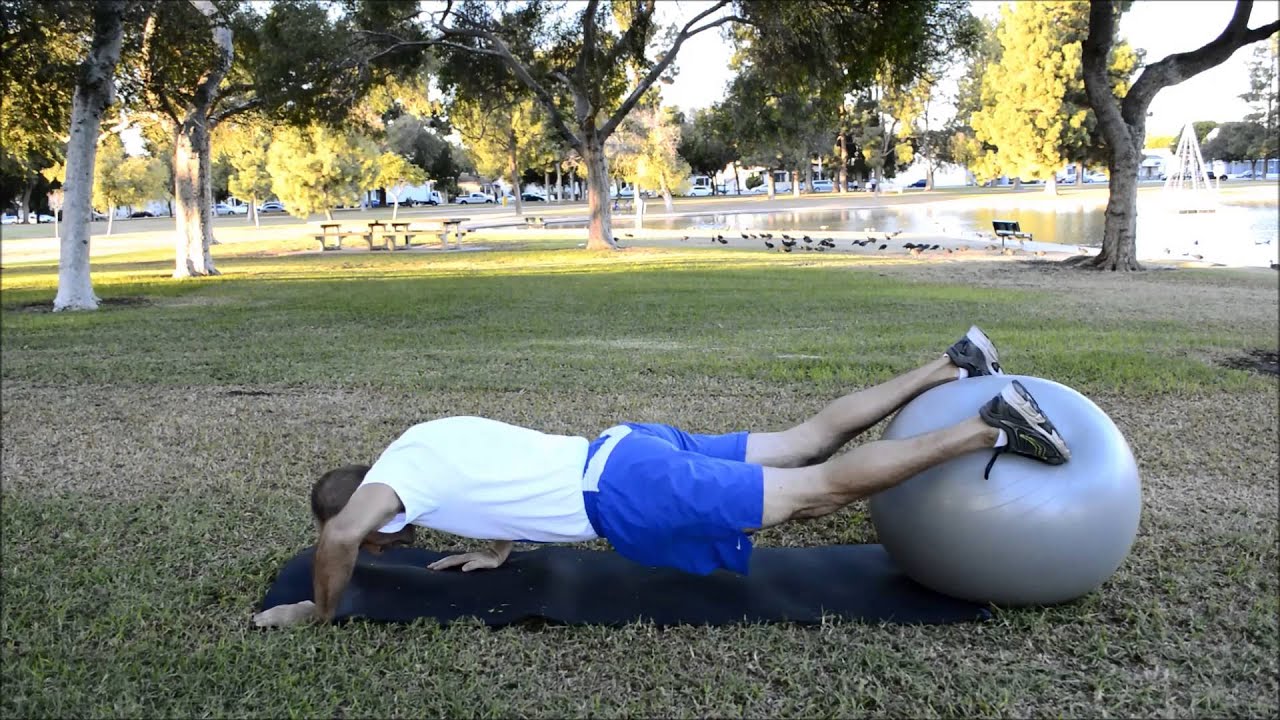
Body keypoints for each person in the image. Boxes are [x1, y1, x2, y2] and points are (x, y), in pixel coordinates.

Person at [253, 326, 1070, 627]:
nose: (381, 544)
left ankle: (987, 426)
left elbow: (340, 537)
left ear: (379, 516)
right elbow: (497, 470)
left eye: (381, 537)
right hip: (624, 446)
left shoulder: (386, 498)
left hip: (626, 492)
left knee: (815, 492)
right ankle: (952, 363)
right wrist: (496, 549)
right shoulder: (420, 444)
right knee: (801, 442)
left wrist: (318, 613)